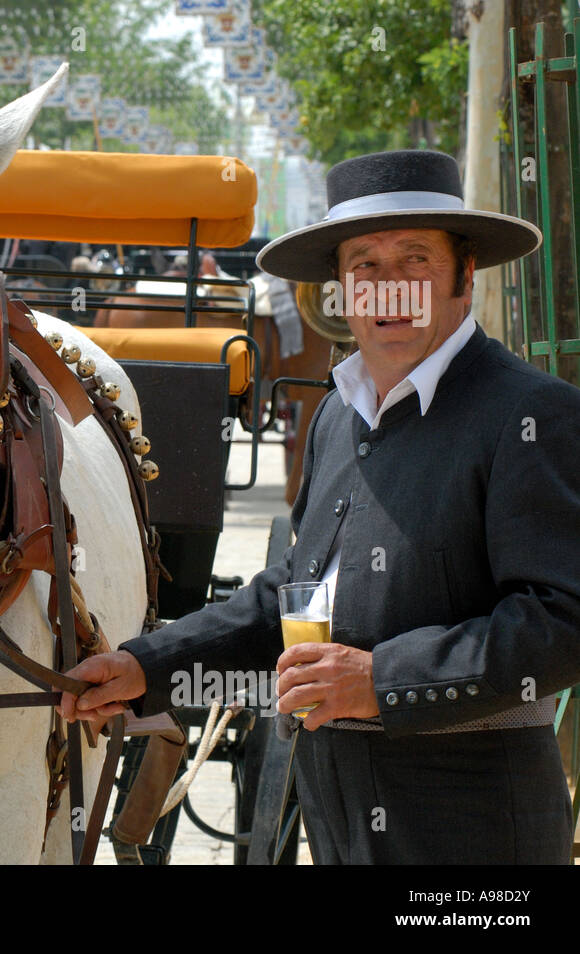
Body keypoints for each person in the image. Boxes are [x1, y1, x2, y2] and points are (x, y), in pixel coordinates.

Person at [60, 150, 580, 864]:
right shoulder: (340, 416)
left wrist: (379, 681)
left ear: (465, 275)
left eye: (414, 259)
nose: (388, 286)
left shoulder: (530, 415)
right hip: (339, 822)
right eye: (365, 263)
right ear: (340, 288)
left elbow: (561, 621)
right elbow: (296, 593)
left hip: (472, 829)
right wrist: (147, 664)